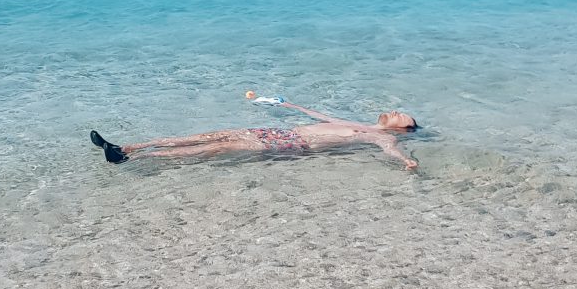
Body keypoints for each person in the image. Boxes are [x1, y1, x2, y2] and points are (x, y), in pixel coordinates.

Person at [90, 101, 420, 170]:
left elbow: (391, 152)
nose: (396, 110)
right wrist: (289, 104)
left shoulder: (383, 138)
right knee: (208, 136)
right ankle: (125, 147)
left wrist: (406, 162)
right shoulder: (357, 122)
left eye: (402, 114)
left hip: (293, 145)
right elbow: (320, 116)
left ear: (404, 128)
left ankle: (140, 158)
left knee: (215, 149)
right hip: (281, 132)